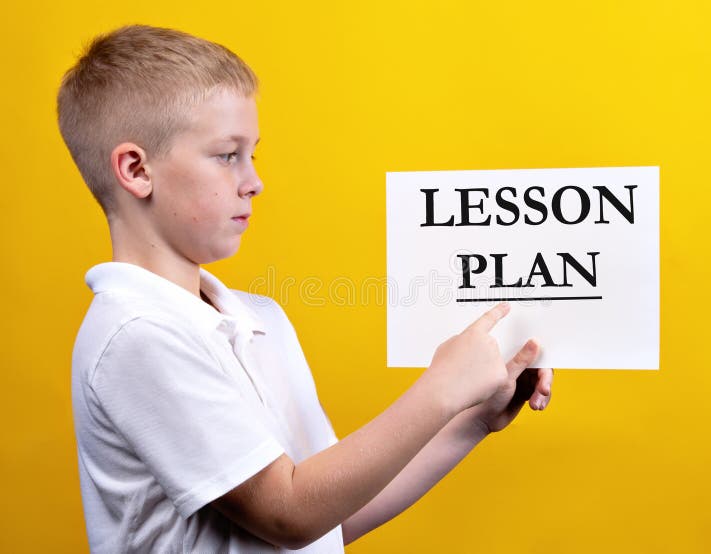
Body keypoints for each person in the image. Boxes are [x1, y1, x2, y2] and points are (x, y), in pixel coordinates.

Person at [58, 24, 554, 553]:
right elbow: (287, 512)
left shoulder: (259, 318)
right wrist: (441, 389)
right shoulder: (136, 335)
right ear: (136, 169)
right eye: (227, 155)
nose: (254, 180)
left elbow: (330, 515)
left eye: (253, 154)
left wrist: (473, 418)